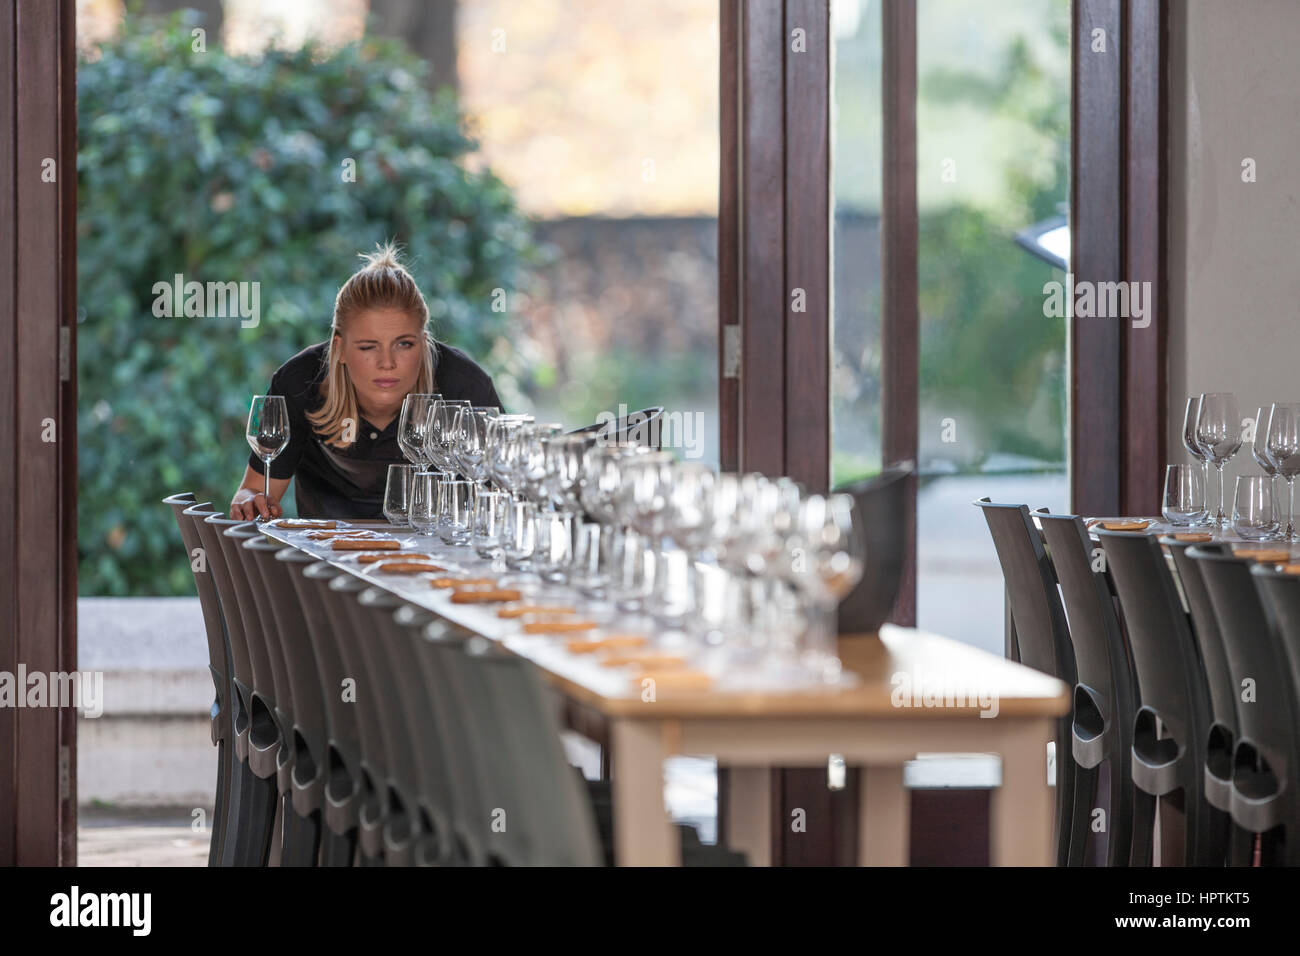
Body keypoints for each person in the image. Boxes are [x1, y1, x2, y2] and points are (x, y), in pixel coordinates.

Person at [231, 244, 502, 521]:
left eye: (404, 344)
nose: (387, 362)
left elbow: (507, 497)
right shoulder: (300, 381)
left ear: (422, 344)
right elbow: (253, 491)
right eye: (367, 347)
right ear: (340, 349)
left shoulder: (465, 386)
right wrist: (250, 504)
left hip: (437, 560)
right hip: (322, 558)